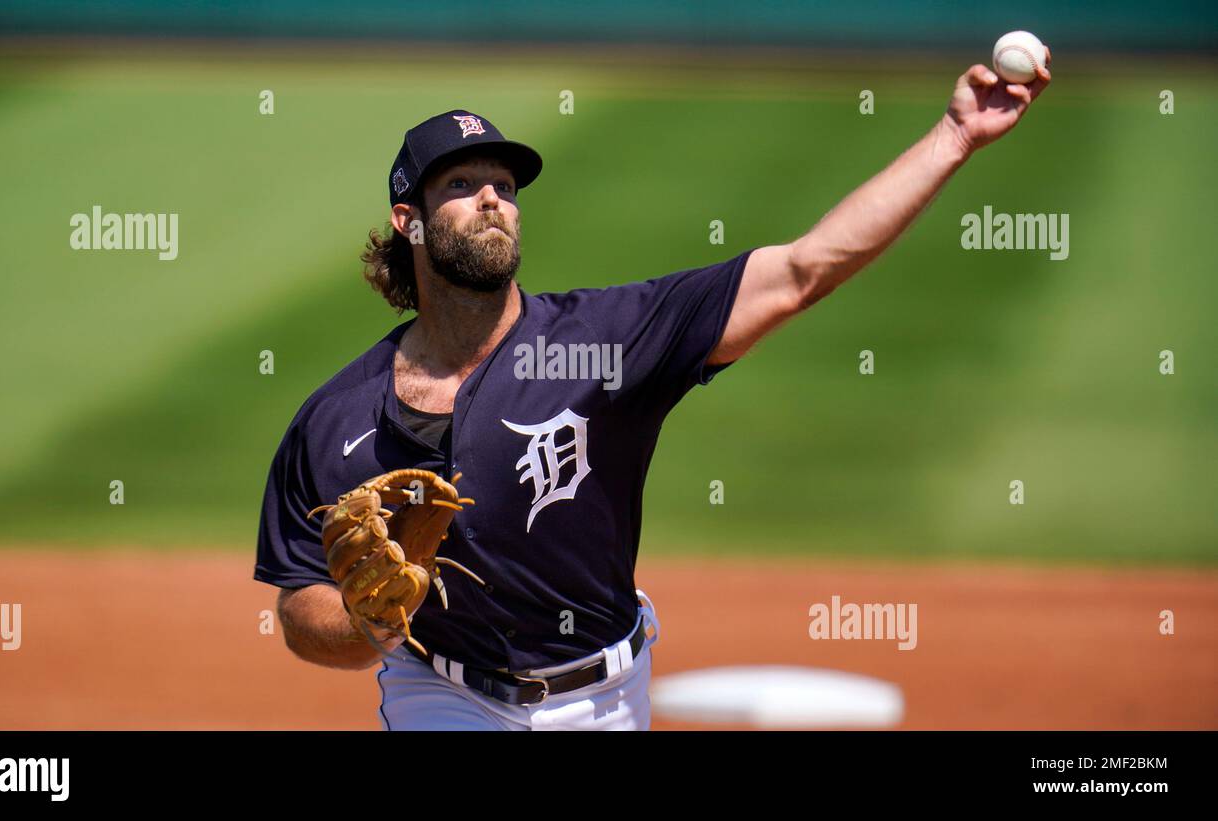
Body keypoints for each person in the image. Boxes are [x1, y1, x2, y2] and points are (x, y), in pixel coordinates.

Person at [254, 56, 1052, 730]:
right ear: (411, 221)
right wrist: (364, 623)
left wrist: (954, 137)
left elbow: (804, 269)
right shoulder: (335, 419)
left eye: (505, 183)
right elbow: (299, 608)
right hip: (441, 693)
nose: (494, 197)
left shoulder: (609, 338)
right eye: (462, 183)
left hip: (605, 698)